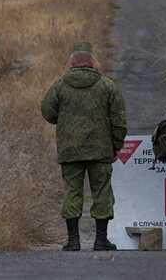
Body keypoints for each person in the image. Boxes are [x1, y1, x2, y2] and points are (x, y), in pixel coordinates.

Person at [41, 41, 127, 251]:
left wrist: (64, 119)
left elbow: (48, 112)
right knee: (102, 193)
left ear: (72, 62)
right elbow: (119, 120)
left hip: (70, 151)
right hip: (101, 151)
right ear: (92, 62)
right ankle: (100, 240)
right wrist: (116, 146)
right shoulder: (107, 85)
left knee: (72, 192)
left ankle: (73, 241)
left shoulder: (60, 85)